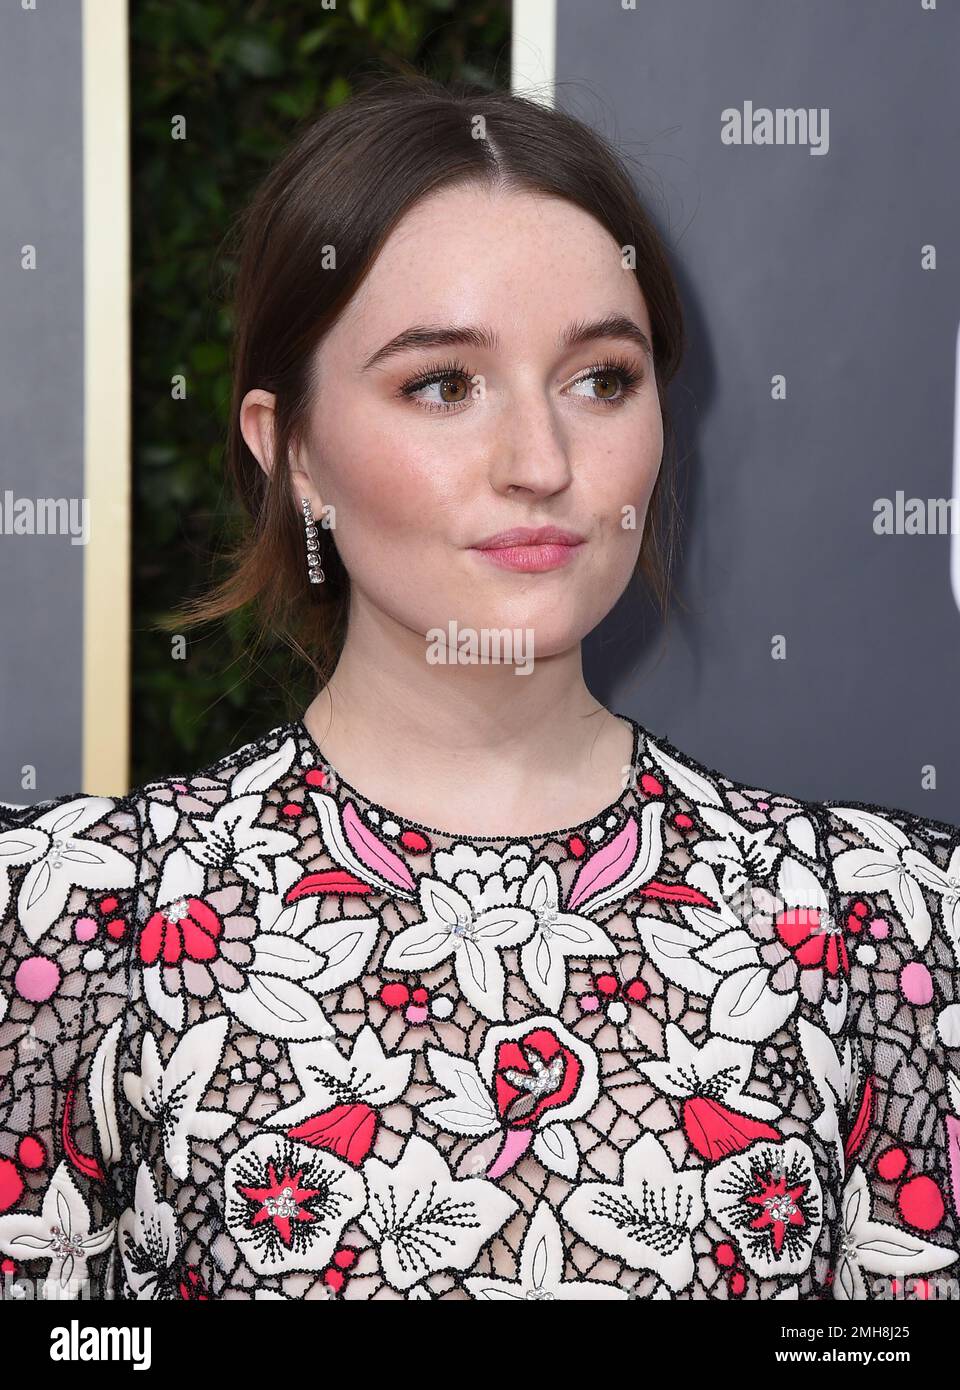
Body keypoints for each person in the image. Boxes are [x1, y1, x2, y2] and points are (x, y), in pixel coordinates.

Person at [2, 72, 959, 1303]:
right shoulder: (76, 923)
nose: (542, 462)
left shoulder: (884, 925)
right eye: (444, 384)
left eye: (601, 378)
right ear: (288, 450)